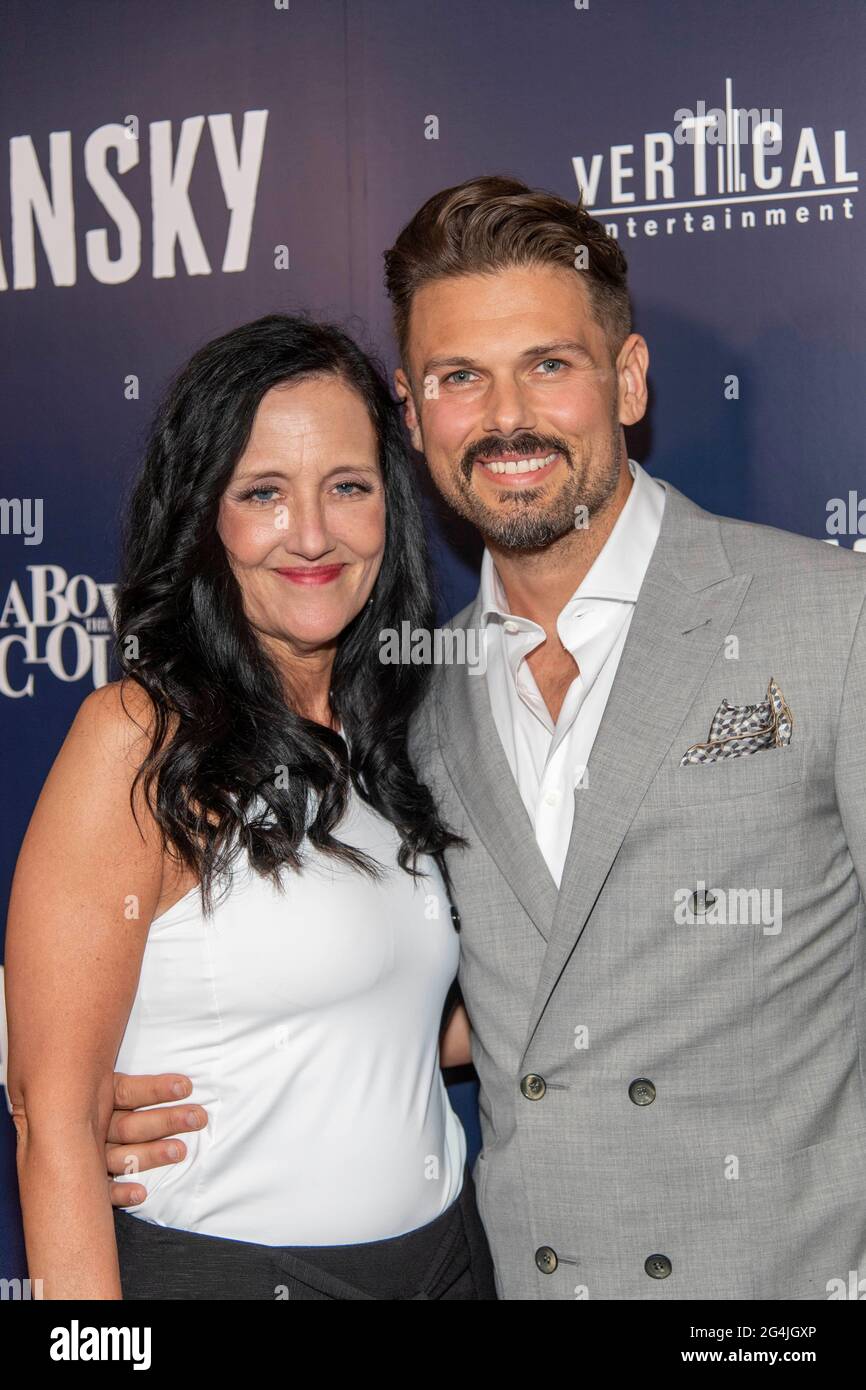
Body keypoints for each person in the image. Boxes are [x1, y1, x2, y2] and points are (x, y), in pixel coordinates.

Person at [67, 176, 866, 1300]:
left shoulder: (832, 621)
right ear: (411, 408)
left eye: (548, 364)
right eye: (458, 379)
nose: (504, 419)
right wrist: (71, 1074)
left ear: (626, 380)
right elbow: (477, 984)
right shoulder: (404, 701)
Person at [5, 313, 497, 1300]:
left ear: (387, 510)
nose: (311, 534)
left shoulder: (401, 723)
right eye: (263, 492)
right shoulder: (139, 738)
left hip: (448, 1265)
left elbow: (405, 1016)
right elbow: (54, 1119)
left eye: (346, 488)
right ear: (204, 516)